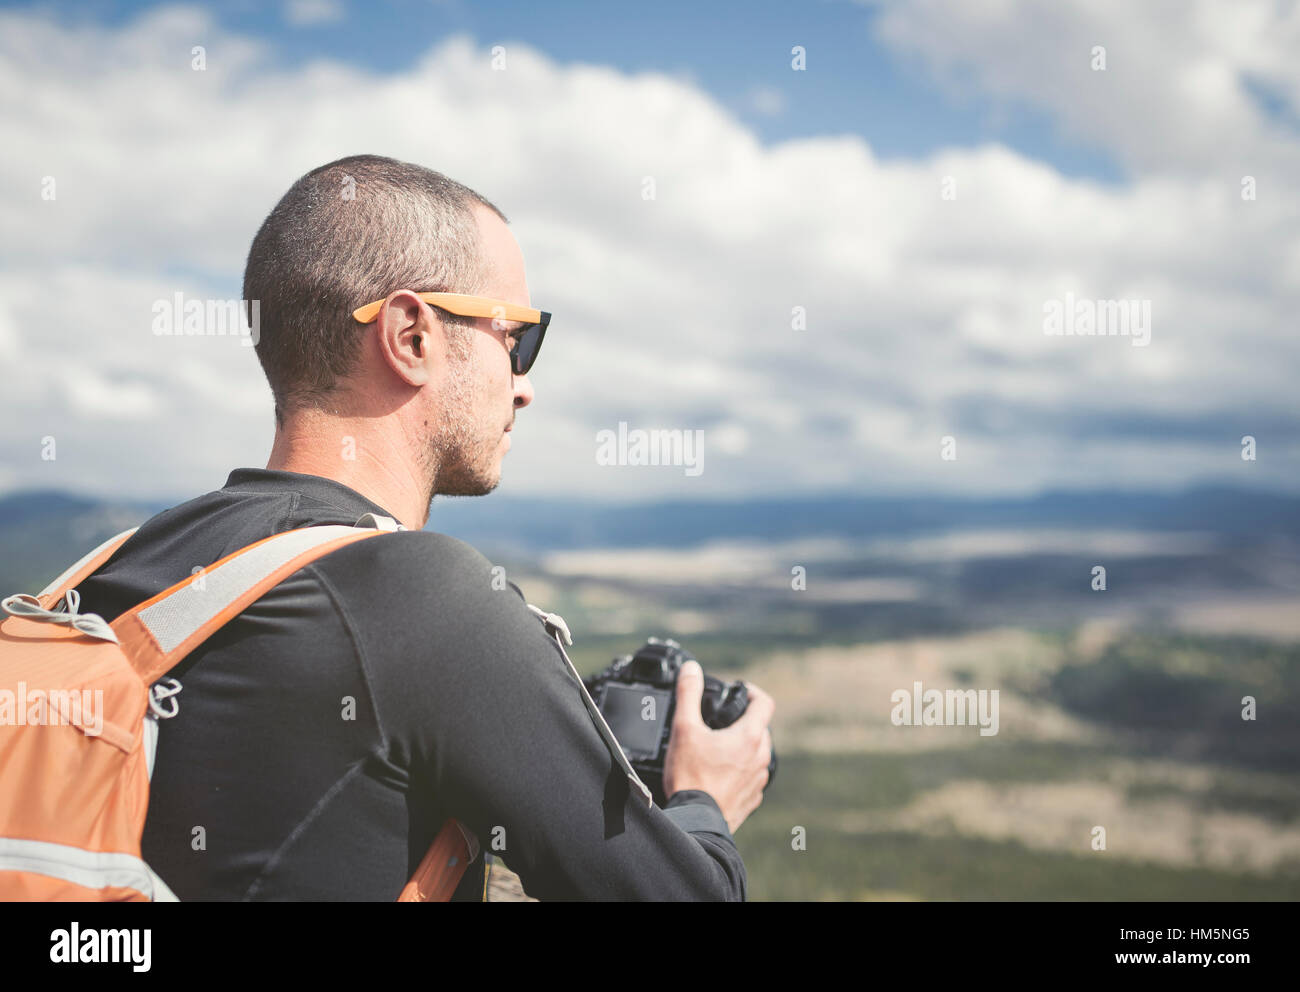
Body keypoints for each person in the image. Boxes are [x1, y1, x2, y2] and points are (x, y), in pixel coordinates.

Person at [76, 154, 775, 901]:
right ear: (412, 335)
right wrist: (705, 801)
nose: (526, 386)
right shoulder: (423, 598)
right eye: (516, 339)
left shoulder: (117, 570)